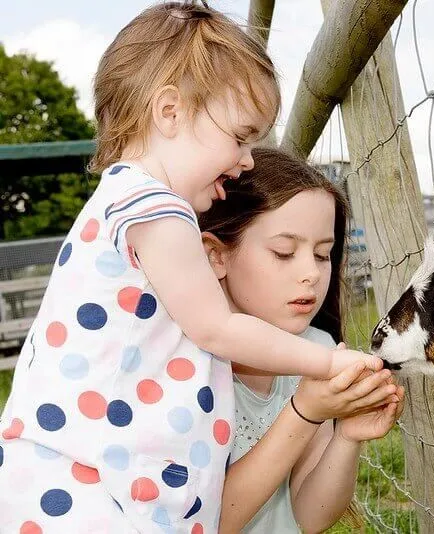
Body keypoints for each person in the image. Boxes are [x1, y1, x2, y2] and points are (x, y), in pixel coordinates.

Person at [0, 3, 380, 532]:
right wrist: (328, 365)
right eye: (241, 136)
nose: (247, 159)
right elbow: (218, 328)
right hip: (79, 486)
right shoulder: (156, 207)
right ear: (171, 112)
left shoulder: (126, 202)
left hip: (86, 480)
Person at [199, 148, 404, 533]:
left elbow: (310, 517)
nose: (311, 273)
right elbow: (208, 523)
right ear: (216, 256)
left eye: (323, 254)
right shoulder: (187, 367)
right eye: (284, 252)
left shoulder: (318, 348)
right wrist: (304, 411)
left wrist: (346, 436)